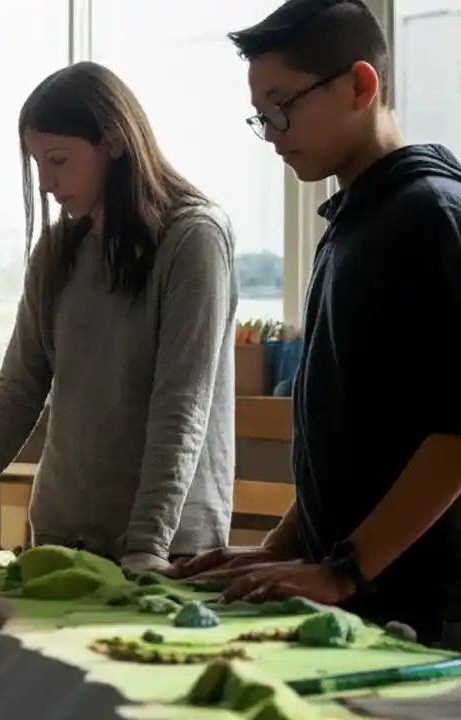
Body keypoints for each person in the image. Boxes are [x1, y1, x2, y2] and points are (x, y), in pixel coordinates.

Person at [170, 0, 461, 649]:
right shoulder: (352, 225)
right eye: (260, 114)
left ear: (360, 85)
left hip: (428, 613)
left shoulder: (429, 216)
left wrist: (345, 569)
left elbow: (454, 435)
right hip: (362, 593)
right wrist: (281, 547)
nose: (272, 132)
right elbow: (355, 440)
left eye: (283, 105)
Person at [0, 62, 237, 574]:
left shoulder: (194, 238)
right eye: (37, 163)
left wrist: (147, 543)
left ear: (114, 142)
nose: (45, 183)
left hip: (167, 544)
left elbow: (182, 403)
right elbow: (18, 390)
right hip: (63, 534)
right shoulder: (58, 248)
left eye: (58, 160)